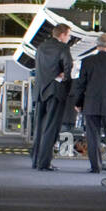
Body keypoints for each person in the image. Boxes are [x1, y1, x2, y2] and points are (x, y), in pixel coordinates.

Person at [73, 33, 106, 174]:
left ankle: (96, 167)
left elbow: (81, 84)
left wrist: (78, 102)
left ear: (97, 46)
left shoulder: (87, 61)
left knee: (93, 136)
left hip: (91, 104)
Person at [31, 24, 73, 171]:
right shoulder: (63, 48)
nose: (69, 38)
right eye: (68, 35)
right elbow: (68, 66)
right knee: (51, 128)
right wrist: (65, 79)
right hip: (55, 91)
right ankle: (44, 163)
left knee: (39, 127)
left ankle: (35, 160)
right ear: (62, 35)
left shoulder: (41, 47)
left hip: (40, 91)